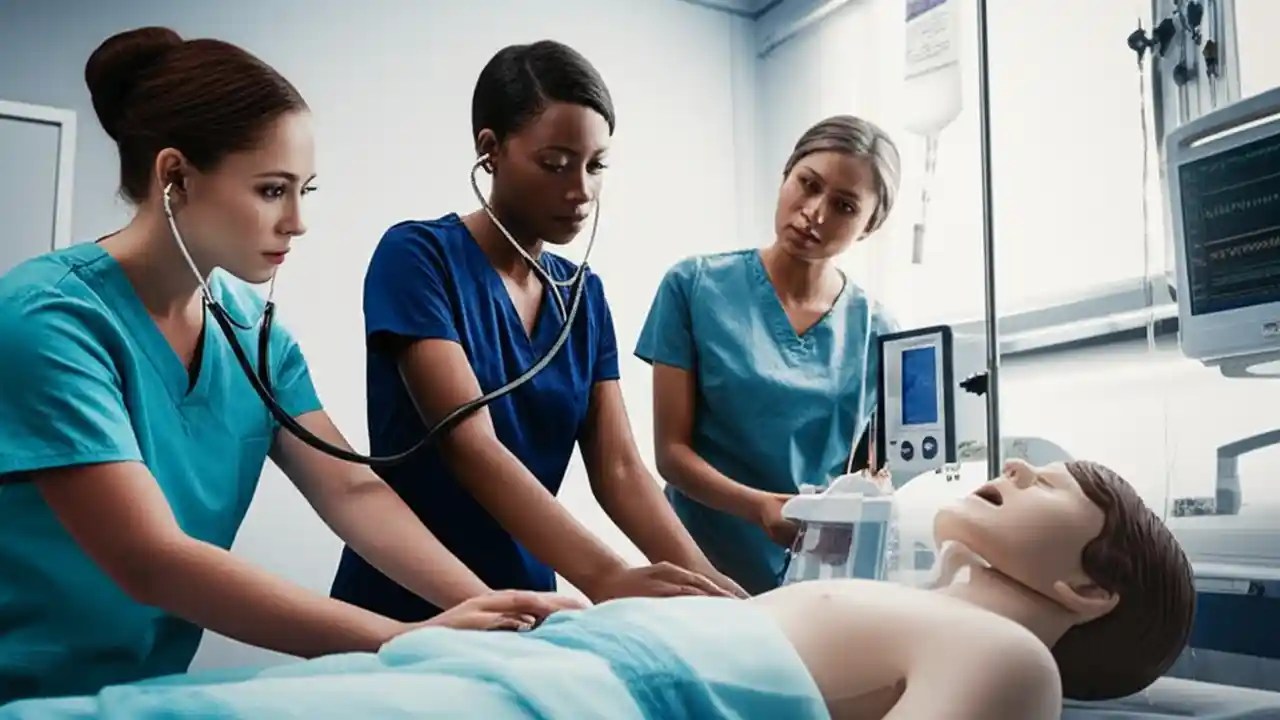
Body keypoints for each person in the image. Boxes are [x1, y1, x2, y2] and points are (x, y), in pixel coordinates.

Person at [0, 27, 583, 704]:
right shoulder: (47, 319)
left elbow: (351, 491)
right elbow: (149, 558)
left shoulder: (254, 332)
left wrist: (496, 612)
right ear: (175, 176)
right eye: (273, 190)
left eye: (306, 189)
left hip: (137, 692)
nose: (299, 221)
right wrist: (405, 641)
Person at [0, 458, 1197, 719]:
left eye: (1067, 481)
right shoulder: (921, 601)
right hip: (487, 668)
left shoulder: (1010, 662)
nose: (1023, 462)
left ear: (1091, 590)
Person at [328, 39, 744, 623]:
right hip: (407, 601)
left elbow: (619, 468)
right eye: (555, 163)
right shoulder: (417, 256)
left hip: (533, 608)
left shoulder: (583, 296)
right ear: (490, 150)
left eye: (595, 165)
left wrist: (716, 592)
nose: (581, 191)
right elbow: (469, 446)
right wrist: (607, 576)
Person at [634, 115, 902, 595]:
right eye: (808, 185)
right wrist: (760, 507)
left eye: (843, 206)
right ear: (787, 174)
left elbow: (872, 474)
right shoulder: (693, 287)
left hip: (815, 580)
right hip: (694, 566)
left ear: (869, 225)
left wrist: (875, 494)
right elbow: (671, 455)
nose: (815, 213)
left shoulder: (878, 331)